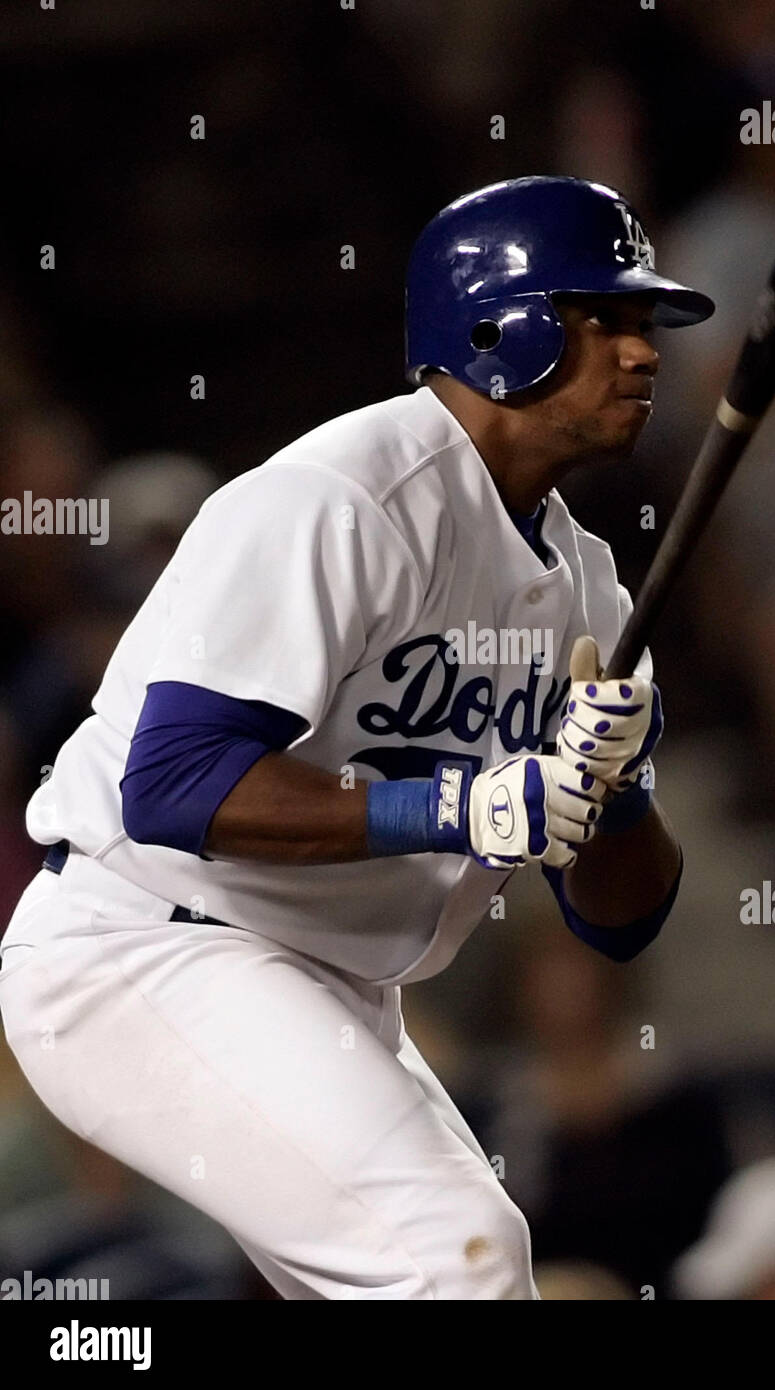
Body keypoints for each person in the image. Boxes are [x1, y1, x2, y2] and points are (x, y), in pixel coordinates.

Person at [0, 176, 713, 1300]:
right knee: (455, 1255)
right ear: (496, 327)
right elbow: (174, 783)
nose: (642, 353)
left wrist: (614, 789)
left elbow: (620, 922)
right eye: (603, 318)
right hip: (145, 939)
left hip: (331, 985)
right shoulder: (341, 499)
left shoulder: (589, 592)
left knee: (470, 1269)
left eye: (641, 325)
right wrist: (462, 806)